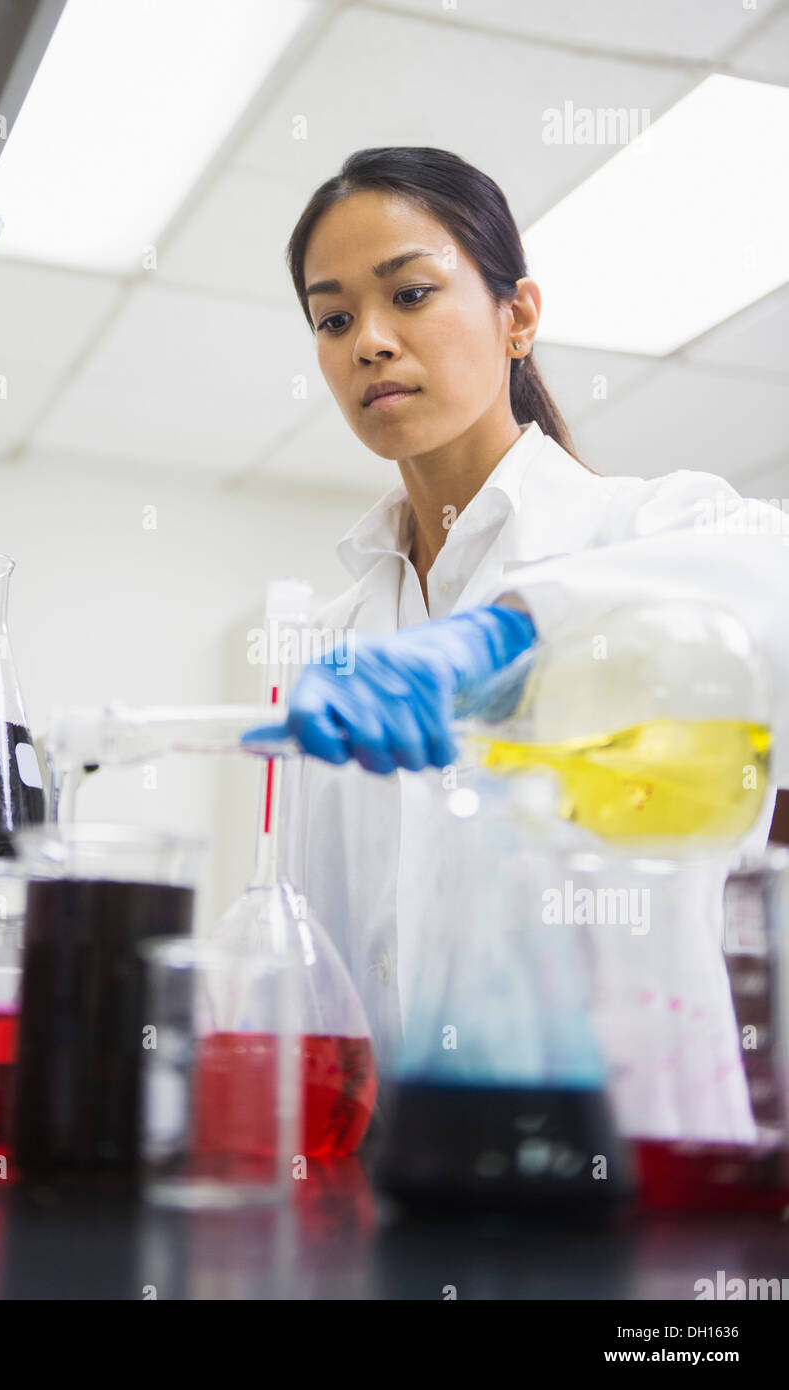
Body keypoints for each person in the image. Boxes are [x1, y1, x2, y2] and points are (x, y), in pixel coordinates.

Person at [244, 147, 789, 1141]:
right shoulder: (335, 641)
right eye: (333, 318)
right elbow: (326, 944)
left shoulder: (651, 530)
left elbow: (771, 581)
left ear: (518, 317)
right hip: (400, 1191)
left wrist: (509, 634)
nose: (369, 341)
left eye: (410, 292)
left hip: (636, 1176)